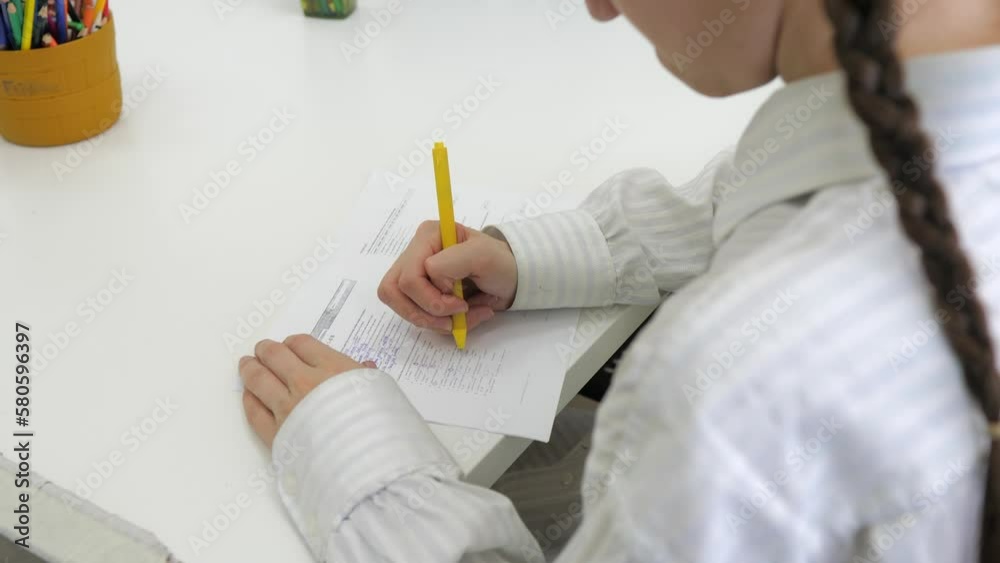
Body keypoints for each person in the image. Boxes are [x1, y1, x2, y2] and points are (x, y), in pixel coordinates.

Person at [237, 0, 1000, 560]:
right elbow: (742, 194)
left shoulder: (737, 389)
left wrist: (362, 462)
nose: (599, 9)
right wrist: (529, 255)